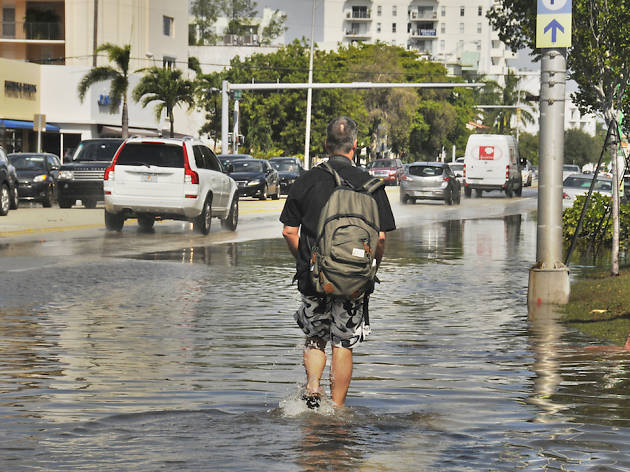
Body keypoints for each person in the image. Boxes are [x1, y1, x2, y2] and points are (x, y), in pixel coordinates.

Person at [280, 116, 396, 408]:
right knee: (342, 342)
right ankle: (337, 410)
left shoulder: (305, 181)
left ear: (325, 145)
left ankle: (313, 387)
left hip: (314, 278)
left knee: (315, 334)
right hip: (354, 281)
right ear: (355, 146)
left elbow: (288, 231)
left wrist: (306, 263)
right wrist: (369, 272)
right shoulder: (371, 185)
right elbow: (380, 239)